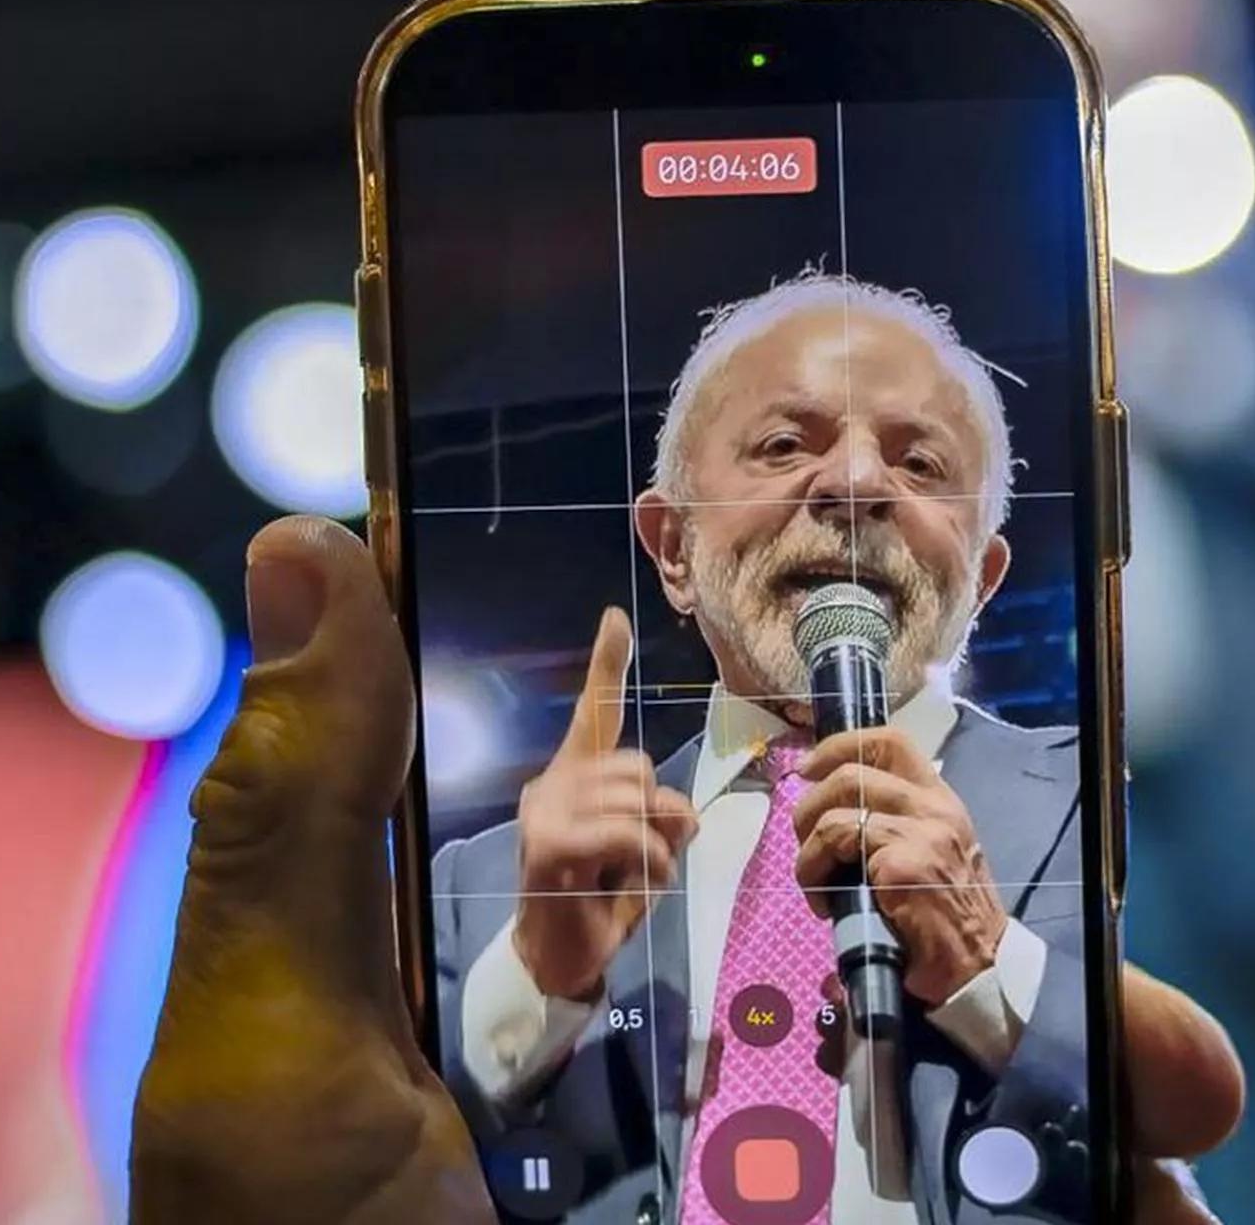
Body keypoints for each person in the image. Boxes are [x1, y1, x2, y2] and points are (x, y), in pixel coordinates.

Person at [427, 275, 1125, 1223]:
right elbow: (375, 1173)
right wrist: (540, 983)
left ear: (984, 581)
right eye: (785, 445)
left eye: (919, 465)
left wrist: (985, 964)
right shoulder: (482, 890)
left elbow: (1203, 1124)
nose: (854, 486)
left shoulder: (1108, 801)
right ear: (673, 548)